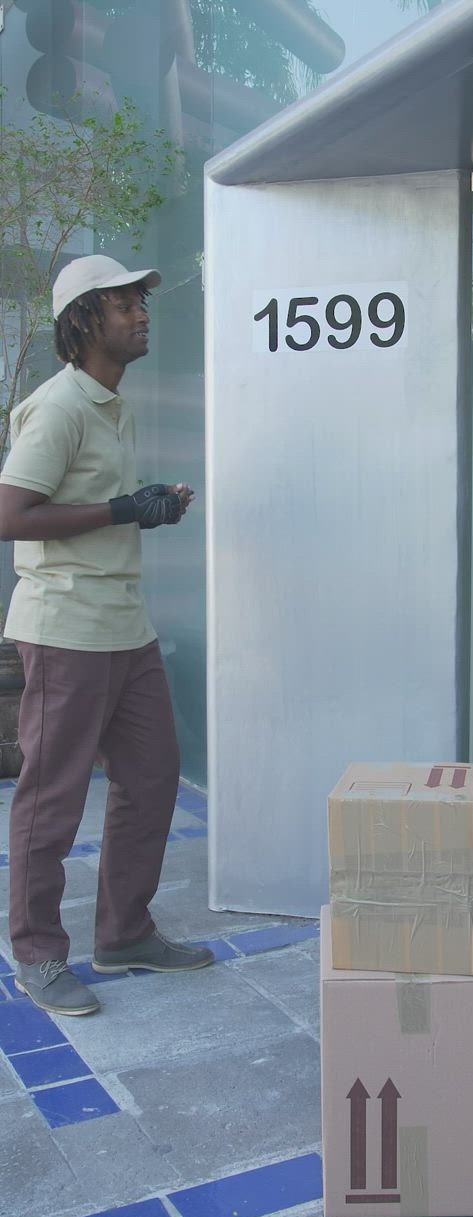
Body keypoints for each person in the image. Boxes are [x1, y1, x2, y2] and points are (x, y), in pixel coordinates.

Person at [0, 254, 213, 1017]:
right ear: (84, 320)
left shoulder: (112, 404)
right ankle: (36, 952)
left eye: (140, 302)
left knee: (152, 776)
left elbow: (89, 506)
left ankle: (124, 933)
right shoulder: (61, 406)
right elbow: (10, 514)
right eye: (124, 304)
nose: (141, 313)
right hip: (66, 627)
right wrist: (124, 510)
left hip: (125, 624)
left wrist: (146, 506)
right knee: (52, 796)